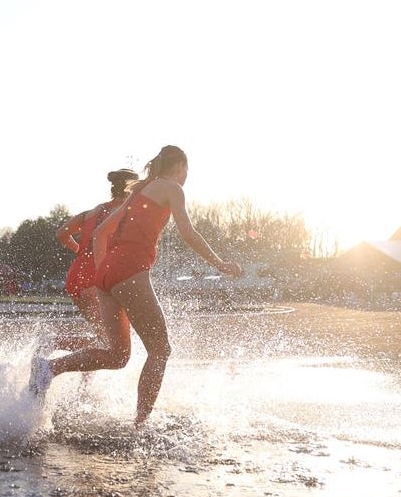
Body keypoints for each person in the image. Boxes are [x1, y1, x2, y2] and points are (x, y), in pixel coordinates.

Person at [30, 145, 243, 425]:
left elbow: (99, 233)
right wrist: (221, 265)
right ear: (180, 167)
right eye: (186, 170)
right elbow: (188, 232)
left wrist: (106, 272)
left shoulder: (140, 191)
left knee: (117, 355)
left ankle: (49, 368)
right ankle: (140, 426)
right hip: (130, 270)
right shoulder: (171, 187)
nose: (186, 176)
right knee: (160, 350)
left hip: (106, 275)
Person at [56, 168, 139, 340]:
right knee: (112, 341)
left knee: (103, 336)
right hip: (97, 278)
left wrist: (78, 249)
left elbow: (61, 234)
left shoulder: (93, 212)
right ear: (133, 188)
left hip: (75, 277)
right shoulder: (126, 213)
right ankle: (54, 344)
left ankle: (52, 347)